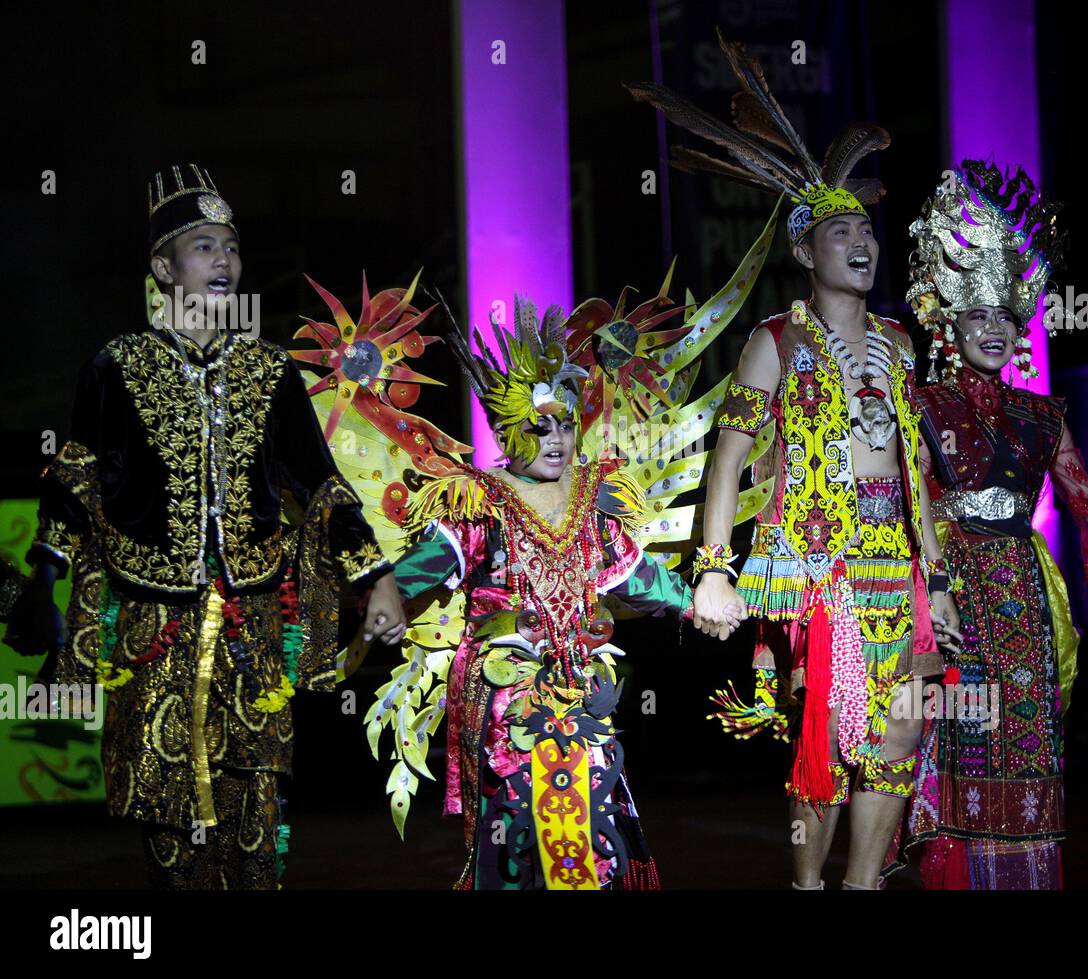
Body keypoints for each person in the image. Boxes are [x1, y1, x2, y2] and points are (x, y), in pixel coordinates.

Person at [4, 164, 403, 888]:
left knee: (257, 823)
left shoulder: (270, 373)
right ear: (162, 266)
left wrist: (375, 577)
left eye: (232, 245)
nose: (225, 260)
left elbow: (319, 486)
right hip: (154, 630)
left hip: (251, 625)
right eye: (204, 246)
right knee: (166, 823)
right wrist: (45, 572)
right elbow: (77, 477)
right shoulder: (115, 369)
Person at [630, 32, 961, 891]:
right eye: (841, 230)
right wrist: (711, 568)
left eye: (867, 229)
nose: (863, 241)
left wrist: (943, 576)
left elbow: (919, 471)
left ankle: (860, 885)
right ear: (805, 251)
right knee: (831, 731)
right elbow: (728, 460)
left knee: (897, 736)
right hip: (816, 569)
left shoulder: (897, 342)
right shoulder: (775, 342)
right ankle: (808, 884)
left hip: (898, 564)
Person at [379, 296, 700, 889]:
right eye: (539, 427)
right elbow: (428, 564)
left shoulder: (591, 499)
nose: (557, 439)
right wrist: (387, 594)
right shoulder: (479, 501)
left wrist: (697, 598)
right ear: (507, 431)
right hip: (507, 692)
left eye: (566, 425)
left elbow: (636, 575)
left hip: (583, 691)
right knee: (521, 827)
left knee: (593, 818)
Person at [895, 161, 1088, 888]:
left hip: (1025, 591)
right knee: (960, 736)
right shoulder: (920, 403)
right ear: (950, 323)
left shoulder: (1041, 415)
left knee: (1028, 742)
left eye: (1004, 317)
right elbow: (906, 503)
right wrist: (929, 588)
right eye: (978, 315)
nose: (994, 328)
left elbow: (1086, 510)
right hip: (953, 589)